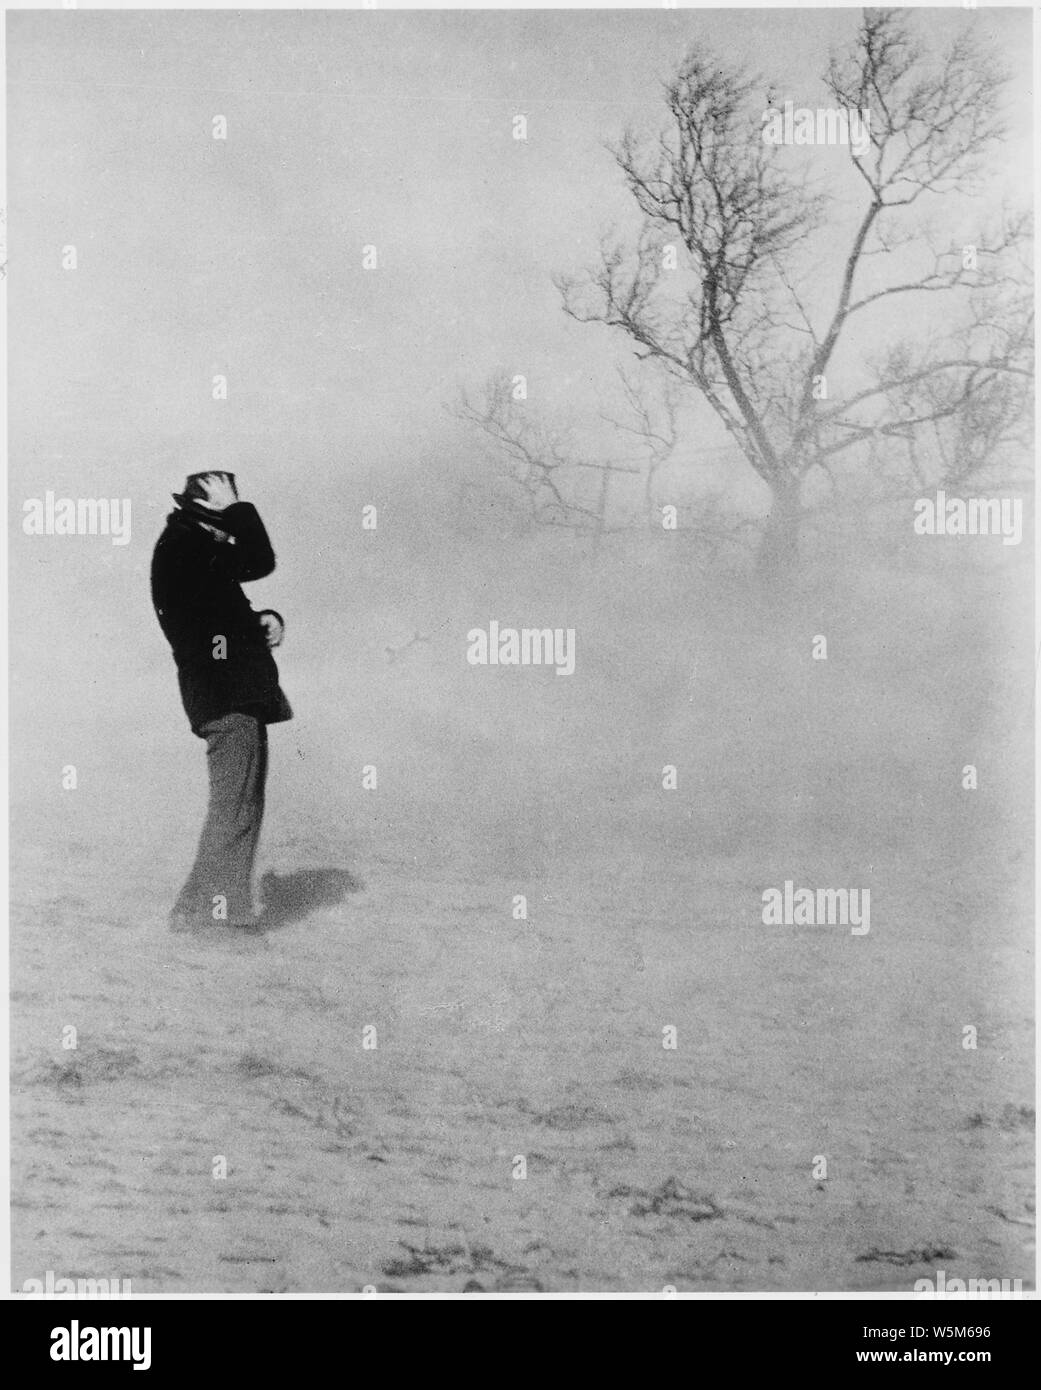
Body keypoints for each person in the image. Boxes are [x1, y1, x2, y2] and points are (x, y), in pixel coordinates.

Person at [151, 471, 292, 932]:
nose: (227, 534)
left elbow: (218, 612)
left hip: (224, 694)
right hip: (225, 695)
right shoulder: (185, 544)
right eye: (221, 520)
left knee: (235, 805)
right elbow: (257, 560)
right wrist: (239, 508)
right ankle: (221, 920)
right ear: (205, 511)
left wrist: (262, 620)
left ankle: (194, 911)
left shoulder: (190, 549)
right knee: (236, 809)